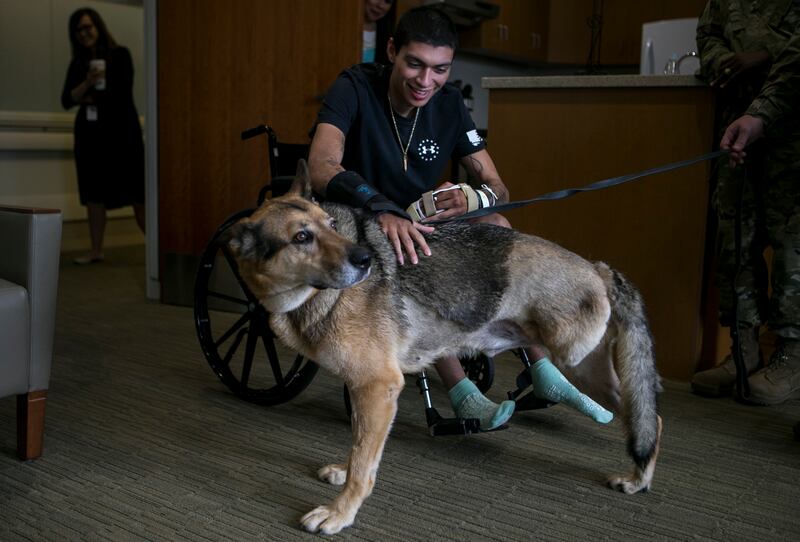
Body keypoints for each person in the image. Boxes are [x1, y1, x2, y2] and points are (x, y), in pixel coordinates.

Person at [308, 6, 613, 431]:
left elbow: (497, 187)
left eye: (439, 69)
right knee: (418, 251)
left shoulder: (449, 103)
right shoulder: (355, 86)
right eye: (414, 64)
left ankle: (543, 370)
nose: (425, 81)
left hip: (424, 222)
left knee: (498, 230)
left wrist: (471, 197)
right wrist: (382, 207)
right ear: (392, 51)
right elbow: (323, 165)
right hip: (361, 218)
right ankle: (461, 391)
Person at [691, 0, 800, 405]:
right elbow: (708, 33)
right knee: (735, 236)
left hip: (791, 131)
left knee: (793, 247)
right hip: (737, 120)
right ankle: (742, 350)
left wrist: (762, 58)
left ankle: (791, 357)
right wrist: (725, 61)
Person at [61, 8, 145, 265]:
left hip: (122, 134)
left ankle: (157, 247)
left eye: (87, 27)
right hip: (90, 137)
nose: (84, 33)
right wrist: (87, 83)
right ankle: (96, 249)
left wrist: (91, 94)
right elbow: (66, 99)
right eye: (78, 30)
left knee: (137, 192)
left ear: (98, 26)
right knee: (93, 193)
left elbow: (121, 93)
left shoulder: (120, 54)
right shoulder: (78, 63)